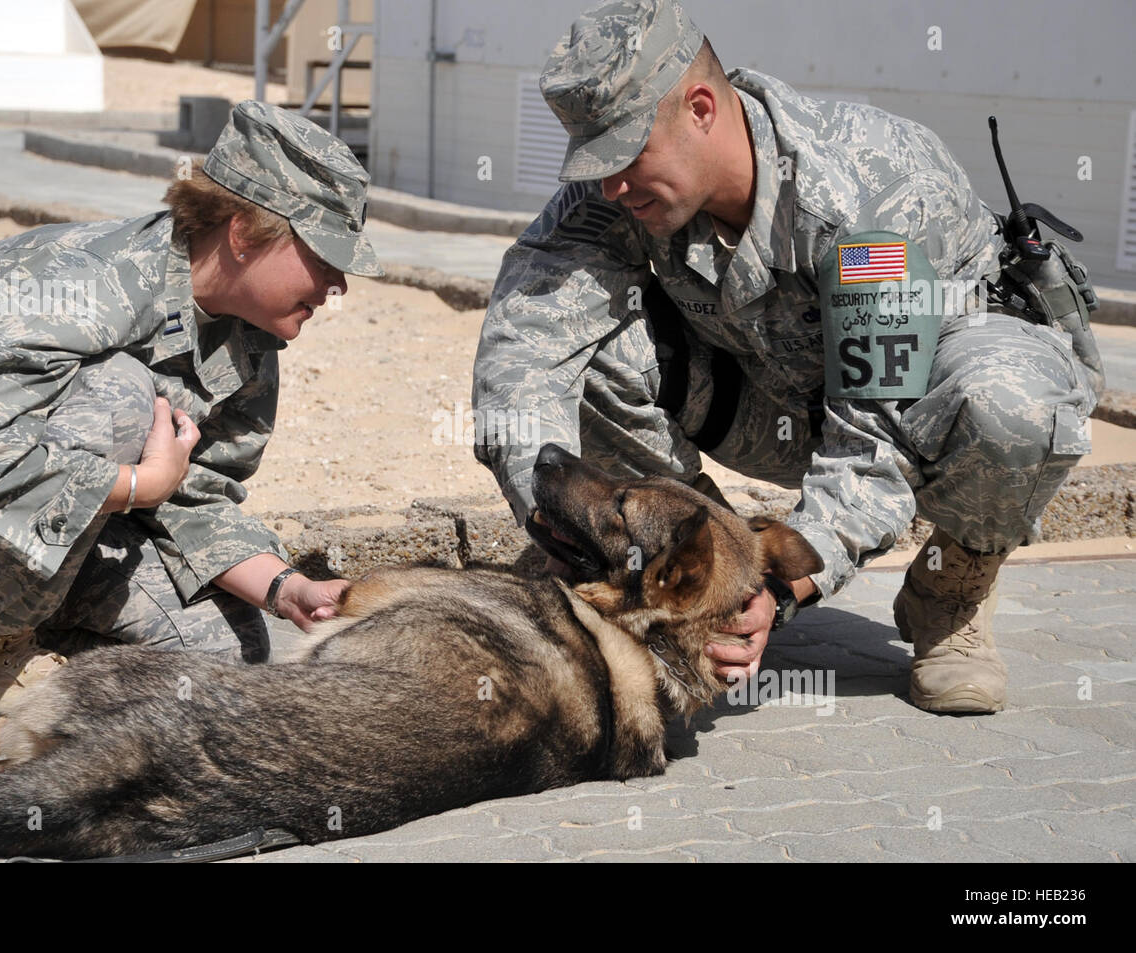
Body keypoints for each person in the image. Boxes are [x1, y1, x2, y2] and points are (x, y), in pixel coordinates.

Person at [472, 0, 1103, 714]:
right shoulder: (620, 197)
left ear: (701, 108)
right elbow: (523, 350)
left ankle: (950, 588)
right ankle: (683, 572)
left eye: (622, 154)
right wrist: (554, 520)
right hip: (772, 399)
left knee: (1012, 404)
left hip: (914, 414)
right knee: (592, 350)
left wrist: (778, 587)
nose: (610, 185)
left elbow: (876, 436)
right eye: (595, 163)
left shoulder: (870, 193)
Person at [0, 101, 382, 722]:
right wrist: (135, 485)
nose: (338, 286)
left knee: (226, 658)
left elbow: (194, 497)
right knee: (120, 399)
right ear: (243, 233)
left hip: (6, 517)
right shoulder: (92, 281)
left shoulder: (250, 341)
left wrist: (289, 589)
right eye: (323, 255)